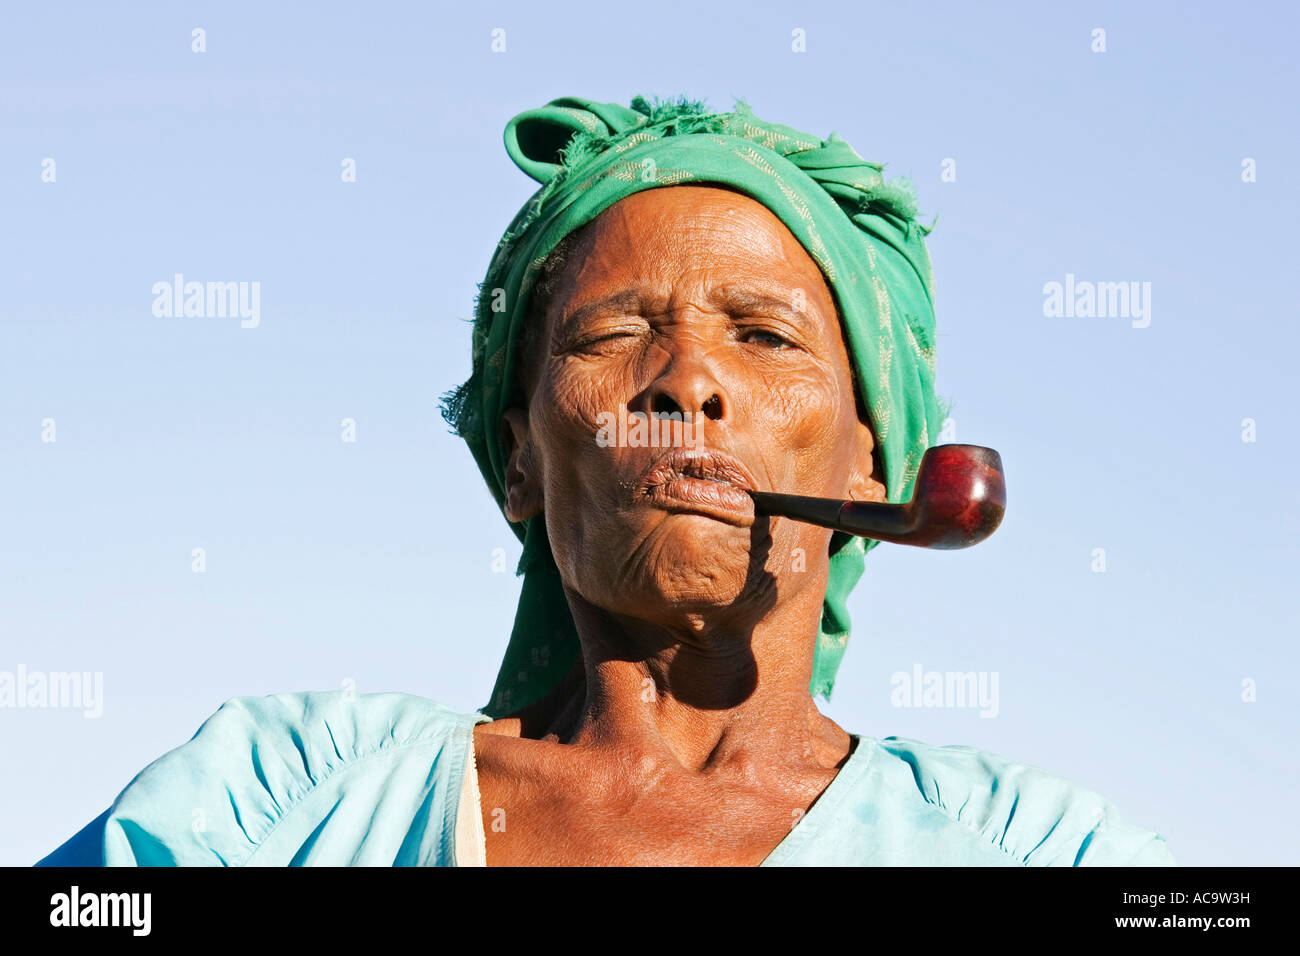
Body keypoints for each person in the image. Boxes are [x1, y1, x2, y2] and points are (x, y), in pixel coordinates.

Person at [36, 94, 1174, 866]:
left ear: (871, 458)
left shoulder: (1041, 852)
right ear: (519, 459)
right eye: (613, 334)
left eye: (765, 338)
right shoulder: (278, 805)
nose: (687, 379)